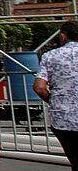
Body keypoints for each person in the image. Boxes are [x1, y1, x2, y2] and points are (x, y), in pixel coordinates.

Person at [36, 21, 78, 170]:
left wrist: (54, 100)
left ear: (63, 36)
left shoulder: (50, 56)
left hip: (62, 117)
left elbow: (39, 88)